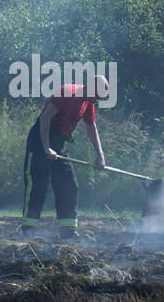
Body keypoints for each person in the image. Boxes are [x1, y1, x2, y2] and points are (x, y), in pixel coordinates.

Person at [21, 74, 108, 237]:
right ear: (90, 87)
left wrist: (100, 155)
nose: (96, 100)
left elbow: (91, 128)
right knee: (38, 183)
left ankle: (67, 231)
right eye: (96, 96)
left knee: (68, 183)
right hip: (40, 139)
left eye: (99, 98)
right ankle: (28, 230)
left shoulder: (88, 103)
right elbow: (45, 117)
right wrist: (46, 147)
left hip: (59, 143)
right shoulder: (67, 92)